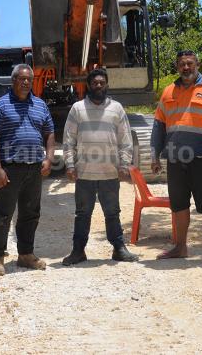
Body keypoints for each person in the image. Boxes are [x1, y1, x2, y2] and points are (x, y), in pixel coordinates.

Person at [150, 50, 202, 269]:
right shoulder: (168, 91)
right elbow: (159, 126)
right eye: (182, 64)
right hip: (175, 160)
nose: (186, 68)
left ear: (197, 64)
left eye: (190, 63)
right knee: (179, 206)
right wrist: (155, 155)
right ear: (177, 66)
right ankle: (180, 247)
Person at [61, 68, 139, 266]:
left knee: (112, 213)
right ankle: (78, 251)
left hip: (110, 173)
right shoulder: (77, 109)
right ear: (88, 85)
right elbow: (68, 140)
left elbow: (126, 140)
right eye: (94, 83)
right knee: (82, 214)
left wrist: (124, 164)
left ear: (107, 85)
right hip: (84, 173)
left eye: (101, 83)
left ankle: (119, 249)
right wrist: (70, 165)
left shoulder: (117, 109)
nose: (98, 86)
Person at [0, 64, 55, 277]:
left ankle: (25, 255)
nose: (26, 82)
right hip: (10, 169)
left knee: (30, 213)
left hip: (34, 169)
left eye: (29, 79)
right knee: (3, 214)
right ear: (13, 80)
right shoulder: (1, 106)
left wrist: (49, 159)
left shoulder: (40, 105)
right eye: (21, 79)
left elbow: (49, 133)